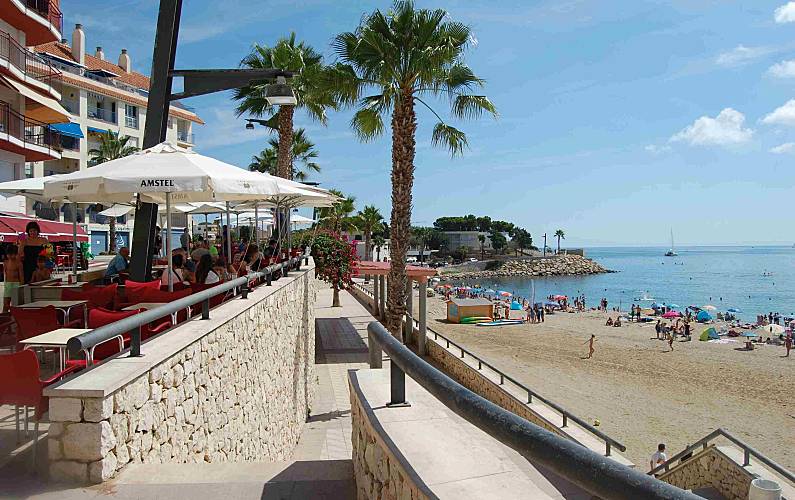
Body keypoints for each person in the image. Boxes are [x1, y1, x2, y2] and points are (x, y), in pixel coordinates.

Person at [3, 245, 21, 312]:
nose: (10, 256)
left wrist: (21, 287)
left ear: (16, 254)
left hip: (16, 284)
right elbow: (5, 274)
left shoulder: (19, 263)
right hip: (8, 284)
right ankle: (4, 319)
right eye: (8, 254)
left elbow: (21, 277)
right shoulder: (5, 263)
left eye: (12, 254)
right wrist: (5, 285)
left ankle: (14, 320)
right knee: (5, 304)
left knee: (15, 305)